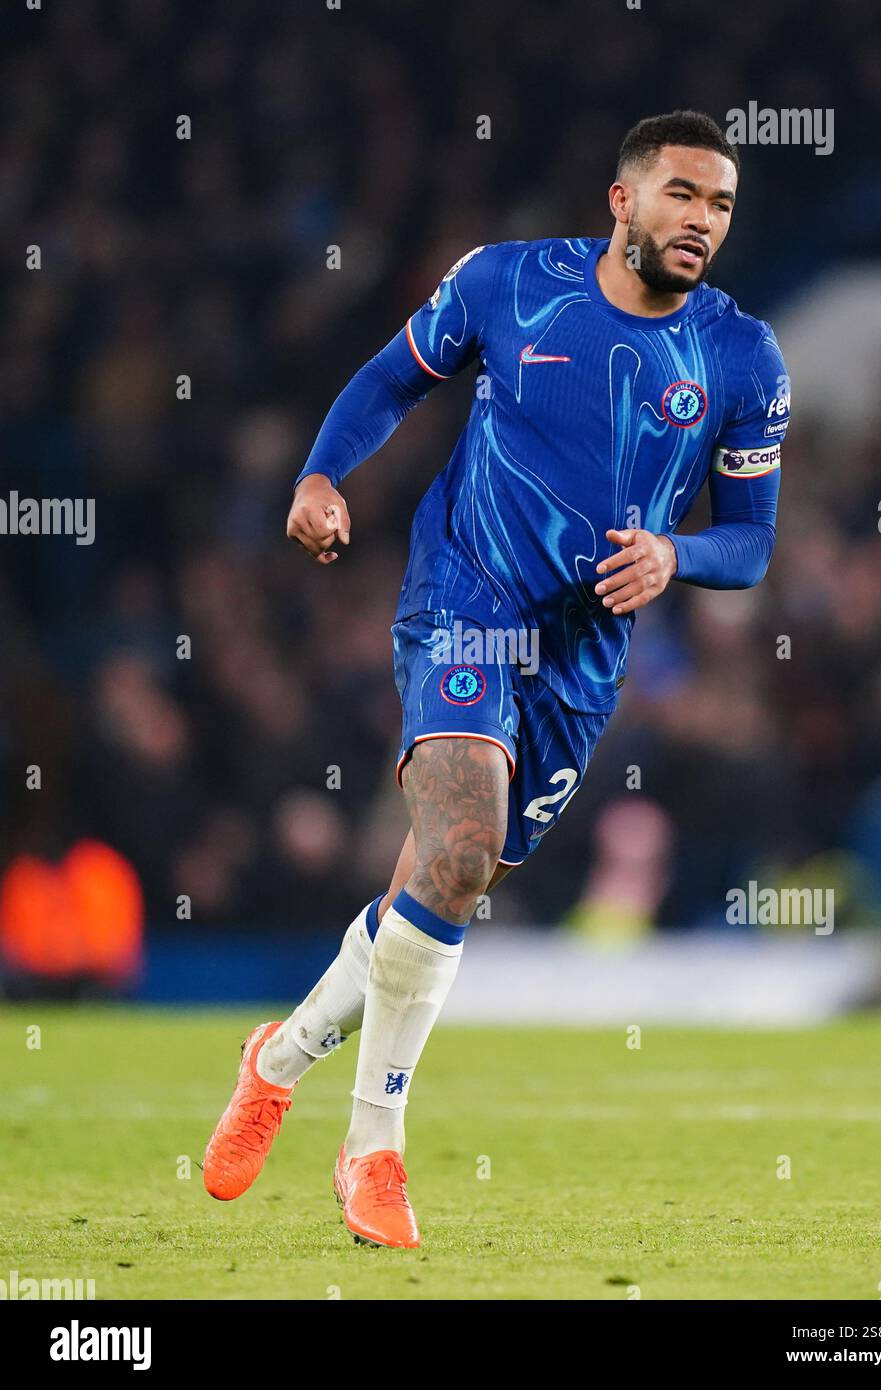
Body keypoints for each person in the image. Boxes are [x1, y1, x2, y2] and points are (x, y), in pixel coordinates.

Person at [203, 110, 791, 1248]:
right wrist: (323, 476)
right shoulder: (507, 287)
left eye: (717, 205)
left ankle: (273, 1061)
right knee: (459, 843)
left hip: (581, 656)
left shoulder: (740, 356)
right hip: (463, 602)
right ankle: (373, 1146)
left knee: (442, 883)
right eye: (680, 194)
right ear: (621, 200)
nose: (700, 222)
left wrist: (678, 554)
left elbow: (752, 539)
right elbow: (387, 380)